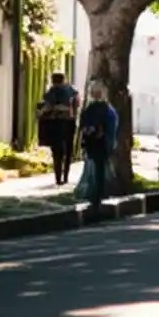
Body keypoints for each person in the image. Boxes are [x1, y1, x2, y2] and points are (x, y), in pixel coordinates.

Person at [77, 81, 119, 217]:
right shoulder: (106, 109)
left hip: (95, 143)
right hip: (99, 143)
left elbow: (83, 125)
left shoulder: (93, 109)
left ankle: (95, 196)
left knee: (96, 169)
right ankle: (97, 196)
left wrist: (88, 132)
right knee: (98, 169)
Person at [36, 73, 79, 185]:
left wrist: (40, 113)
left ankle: (58, 178)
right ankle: (66, 176)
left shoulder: (52, 92)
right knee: (68, 151)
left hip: (55, 124)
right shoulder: (72, 91)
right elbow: (77, 104)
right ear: (64, 79)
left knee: (57, 153)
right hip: (70, 123)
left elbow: (47, 106)